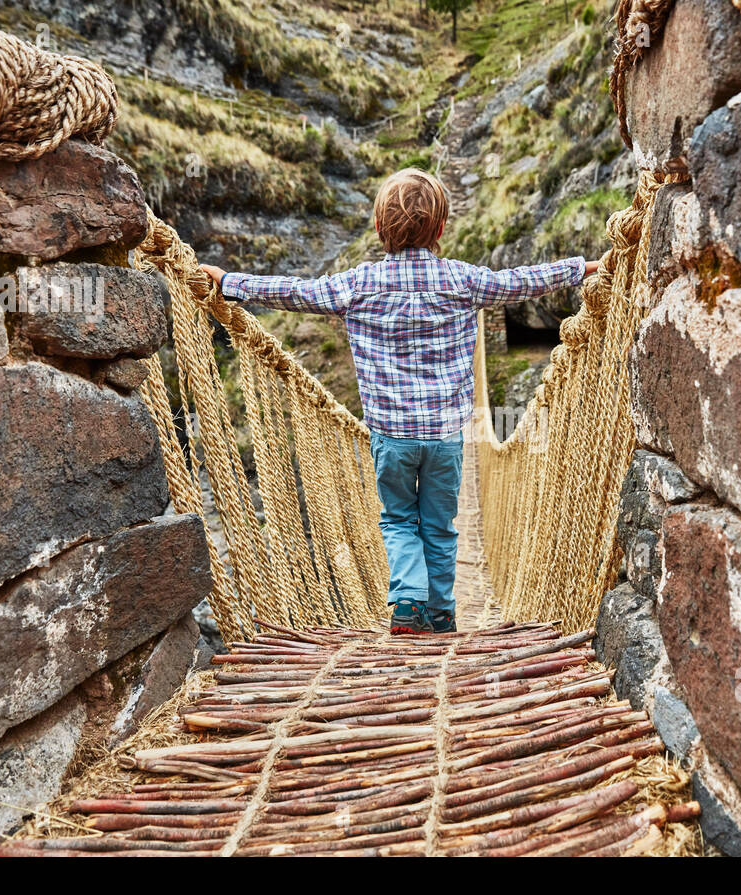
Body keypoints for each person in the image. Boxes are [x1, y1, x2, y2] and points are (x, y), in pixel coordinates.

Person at [202, 168, 599, 634]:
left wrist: (231, 282)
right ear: (441, 229)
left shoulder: (358, 283)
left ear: (377, 229)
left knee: (397, 519)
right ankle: (442, 612)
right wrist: (581, 268)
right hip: (446, 438)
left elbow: (294, 291)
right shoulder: (463, 279)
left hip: (390, 436)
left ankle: (408, 602)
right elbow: (520, 281)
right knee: (440, 525)